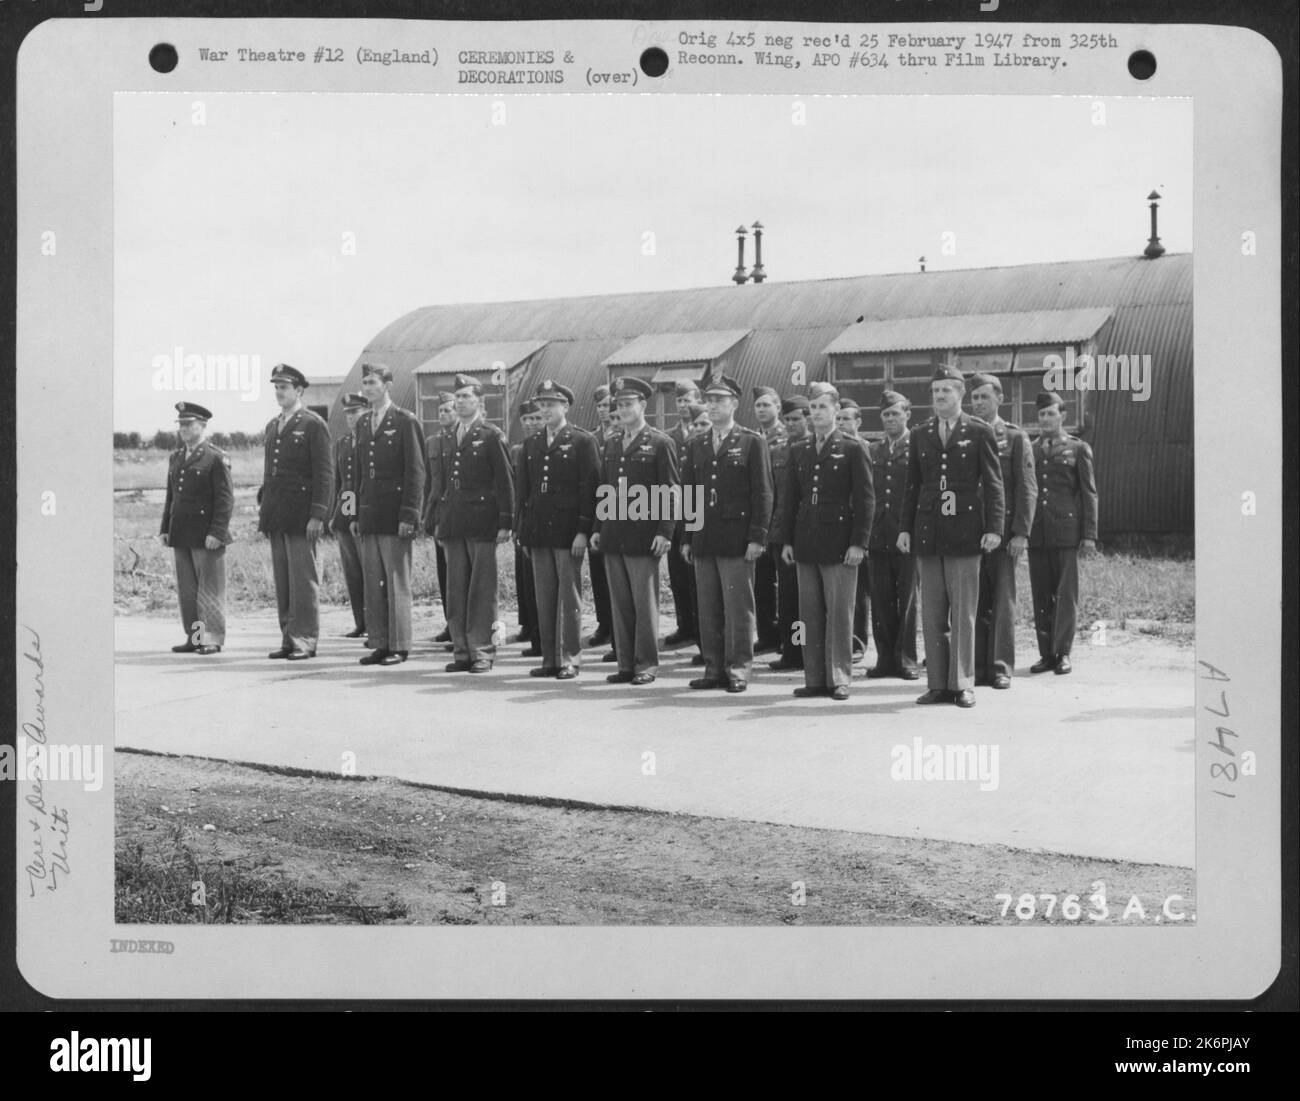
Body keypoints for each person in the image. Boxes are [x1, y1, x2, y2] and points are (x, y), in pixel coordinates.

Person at [898, 364, 1004, 708]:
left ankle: (962, 683)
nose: (940, 396)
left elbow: (992, 484)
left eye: (946, 390)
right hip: (928, 533)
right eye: (935, 391)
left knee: (963, 613)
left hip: (965, 533)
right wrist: (904, 528)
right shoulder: (920, 433)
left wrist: (994, 528)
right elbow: (911, 485)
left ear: (961, 394)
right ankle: (937, 685)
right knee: (932, 614)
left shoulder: (979, 431)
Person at [780, 384, 873, 701]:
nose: (816, 413)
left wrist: (859, 542)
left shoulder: (852, 448)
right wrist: (787, 541)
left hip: (840, 544)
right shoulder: (800, 450)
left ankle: (839, 676)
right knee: (810, 614)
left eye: (822, 407)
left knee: (839, 613)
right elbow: (790, 500)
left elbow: (865, 501)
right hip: (807, 542)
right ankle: (815, 677)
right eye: (812, 409)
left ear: (836, 409)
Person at [681, 376, 773, 693]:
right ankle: (713, 668)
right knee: (708, 608)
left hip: (737, 540)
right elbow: (689, 495)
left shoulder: (750, 442)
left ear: (734, 404)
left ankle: (738, 669)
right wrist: (687, 538)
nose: (714, 405)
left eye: (721, 400)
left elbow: (763, 494)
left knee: (738, 609)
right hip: (705, 539)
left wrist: (757, 538)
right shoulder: (696, 444)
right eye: (710, 400)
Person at [590, 376, 677, 685]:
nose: (624, 409)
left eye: (629, 404)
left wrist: (665, 532)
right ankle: (625, 664)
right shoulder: (612, 443)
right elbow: (605, 488)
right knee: (621, 604)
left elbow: (671, 490)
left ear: (643, 405)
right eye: (619, 405)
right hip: (614, 534)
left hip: (644, 536)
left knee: (644, 604)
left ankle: (646, 665)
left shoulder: (660, 442)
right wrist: (598, 527)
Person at [516, 380, 601, 679]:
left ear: (565, 406)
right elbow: (524, 494)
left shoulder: (582, 440)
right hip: (539, 533)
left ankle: (569, 658)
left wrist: (582, 530)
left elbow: (590, 490)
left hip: (568, 533)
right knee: (545, 596)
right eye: (542, 404)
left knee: (568, 598)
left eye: (552, 404)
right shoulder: (531, 444)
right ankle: (549, 658)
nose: (545, 409)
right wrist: (523, 532)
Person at [431, 373, 514, 673]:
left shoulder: (491, 435)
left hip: (482, 523)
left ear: (480, 401)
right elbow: (444, 486)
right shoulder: (450, 435)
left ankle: (483, 651)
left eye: (467, 396)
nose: (462, 401)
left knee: (482, 592)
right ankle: (462, 650)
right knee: (456, 590)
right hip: (454, 523)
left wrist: (506, 521)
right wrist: (440, 522)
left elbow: (505, 482)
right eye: (459, 397)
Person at [350, 363, 426, 666]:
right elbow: (355, 474)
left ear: (388, 384)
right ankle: (380, 642)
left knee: (396, 583)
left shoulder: (405, 420)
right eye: (364, 382)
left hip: (395, 516)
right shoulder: (363, 422)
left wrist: (410, 515)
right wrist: (351, 513)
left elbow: (416, 472)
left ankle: (399, 644)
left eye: (373, 382)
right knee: (374, 582)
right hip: (368, 515)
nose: (367, 388)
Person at [258, 363, 333, 660]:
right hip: (278, 515)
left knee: (303, 581)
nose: (279, 392)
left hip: (303, 516)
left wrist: (318, 514)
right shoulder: (273, 426)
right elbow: (270, 474)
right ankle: (288, 638)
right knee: (285, 582)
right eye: (276, 387)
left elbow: (324, 474)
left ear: (299, 390)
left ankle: (304, 640)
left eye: (284, 387)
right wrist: (265, 512)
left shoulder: (313, 424)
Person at [969, 373, 1037, 688]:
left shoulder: (1014, 437)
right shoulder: (965, 433)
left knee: (1002, 600)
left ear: (1000, 399)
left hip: (1004, 532)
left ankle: (1000, 667)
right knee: (974, 601)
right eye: (975, 397)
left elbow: (1027, 488)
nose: (979, 403)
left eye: (985, 397)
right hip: (970, 532)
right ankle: (977, 666)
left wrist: (1021, 532)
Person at [1027, 390, 1098, 675]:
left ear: (1063, 416)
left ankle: (1063, 653)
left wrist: (1089, 534)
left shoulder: (1078, 448)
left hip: (1066, 532)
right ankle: (1046, 655)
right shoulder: (1030, 449)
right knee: (1041, 594)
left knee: (1065, 595)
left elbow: (1088, 493)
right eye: (1042, 414)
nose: (1046, 419)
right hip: (1037, 532)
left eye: (1051, 413)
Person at [161, 402, 234, 655]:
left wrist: (217, 532)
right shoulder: (177, 457)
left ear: (202, 425)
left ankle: (212, 638)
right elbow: (172, 496)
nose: (183, 429)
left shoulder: (215, 457)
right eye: (180, 424)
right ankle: (196, 637)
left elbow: (225, 500)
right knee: (188, 592)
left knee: (210, 589)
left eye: (188, 424)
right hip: (182, 532)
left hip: (207, 535)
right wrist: (165, 528)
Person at [866, 391, 919, 680]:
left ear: (907, 414)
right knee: (881, 599)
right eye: (886, 415)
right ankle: (885, 659)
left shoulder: (916, 446)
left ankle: (907, 659)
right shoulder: (873, 450)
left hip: (906, 535)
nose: (890, 419)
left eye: (895, 414)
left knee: (907, 598)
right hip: (877, 534)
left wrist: (910, 529)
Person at [767, 395, 809, 672]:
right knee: (788, 598)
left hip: (807, 533)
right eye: (788, 419)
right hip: (780, 534)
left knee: (809, 598)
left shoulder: (812, 449)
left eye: (797, 419)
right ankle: (792, 652)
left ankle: (808, 652)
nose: (791, 424)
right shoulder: (777, 452)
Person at [664, 379, 702, 649]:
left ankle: (701, 629)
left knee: (697, 573)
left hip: (698, 506)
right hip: (676, 511)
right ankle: (684, 625)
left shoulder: (706, 428)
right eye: (679, 400)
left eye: (688, 399)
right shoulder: (670, 436)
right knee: (677, 572)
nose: (683, 405)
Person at [331, 391, 369, 640]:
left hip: (367, 513)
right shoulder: (343, 443)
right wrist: (339, 516)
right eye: (348, 414)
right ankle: (361, 622)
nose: (351, 417)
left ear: (366, 411)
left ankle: (376, 623)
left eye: (355, 412)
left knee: (370, 572)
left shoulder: (371, 440)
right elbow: (341, 482)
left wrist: (357, 514)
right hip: (347, 512)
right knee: (353, 573)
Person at [836, 397, 872, 662]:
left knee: (860, 592)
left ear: (858, 422)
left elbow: (869, 496)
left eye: (846, 419)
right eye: (838, 419)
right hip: (838, 528)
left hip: (860, 529)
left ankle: (857, 641)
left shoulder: (864, 448)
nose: (841, 423)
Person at [751, 385, 786, 653]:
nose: (762, 409)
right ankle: (766, 635)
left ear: (778, 408)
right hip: (759, 521)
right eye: (758, 406)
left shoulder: (787, 438)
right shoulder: (752, 439)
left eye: (767, 405)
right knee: (761, 581)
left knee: (784, 585)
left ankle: (787, 637)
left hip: (780, 520)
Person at [585, 384, 618, 654]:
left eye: (608, 405)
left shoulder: (624, 434)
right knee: (598, 573)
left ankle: (619, 631)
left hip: (620, 512)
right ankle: (604, 624)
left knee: (617, 575)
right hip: (597, 510)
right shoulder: (592, 437)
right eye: (600, 406)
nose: (603, 410)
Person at [510, 399, 545, 657]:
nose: (531, 424)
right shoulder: (518, 450)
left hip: (544, 523)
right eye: (526, 420)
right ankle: (529, 627)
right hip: (524, 521)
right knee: (524, 579)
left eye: (536, 418)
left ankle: (542, 634)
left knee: (540, 582)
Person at [423, 391, 456, 643]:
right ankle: (450, 623)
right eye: (441, 410)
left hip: (458, 515)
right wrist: (427, 516)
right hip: (438, 515)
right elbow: (428, 483)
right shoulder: (432, 442)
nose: (443, 414)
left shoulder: (463, 437)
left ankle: (461, 628)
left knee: (460, 575)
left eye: (448, 409)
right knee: (444, 573)